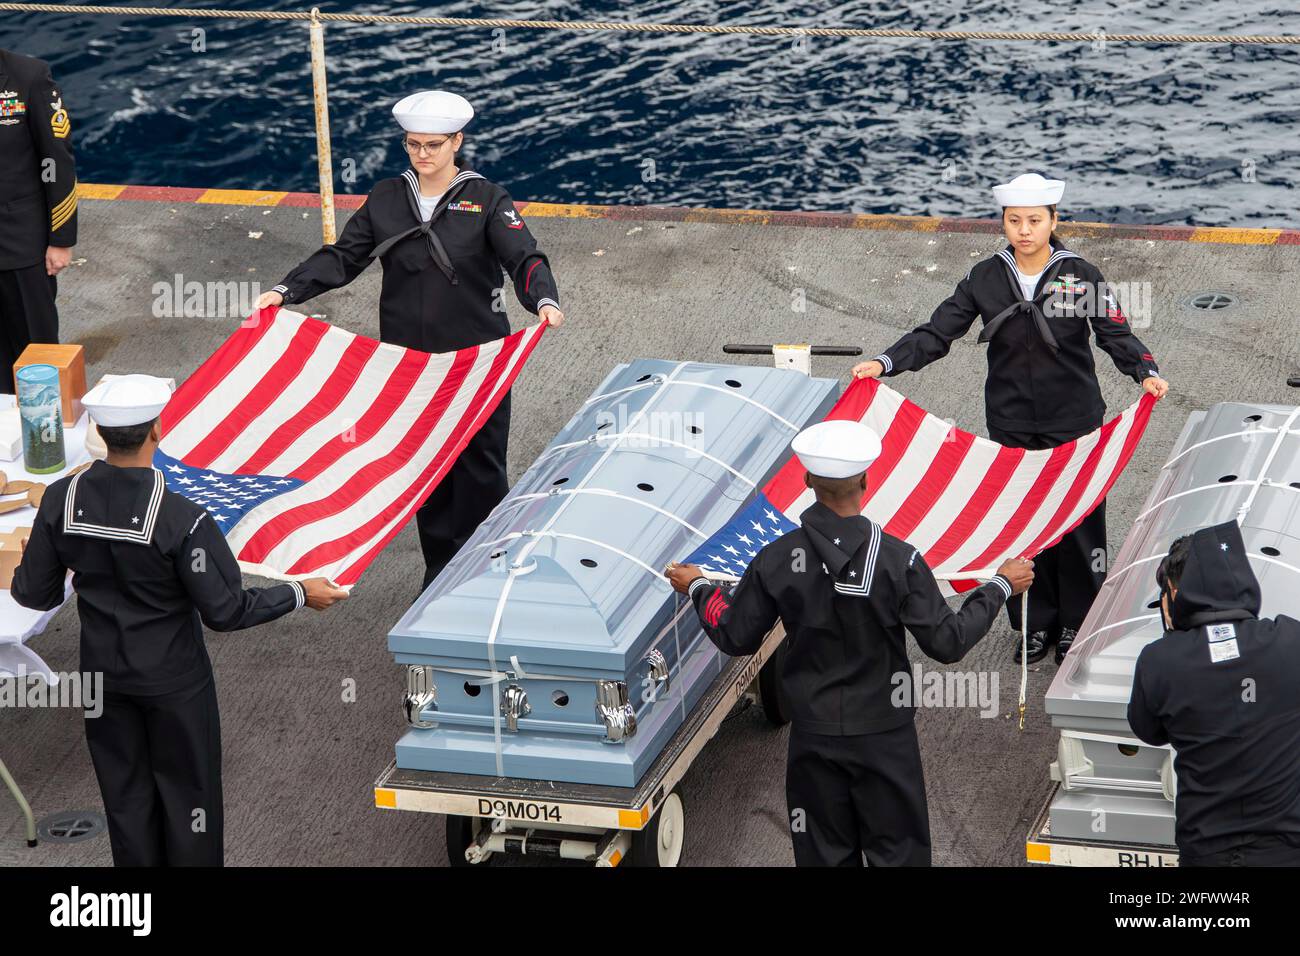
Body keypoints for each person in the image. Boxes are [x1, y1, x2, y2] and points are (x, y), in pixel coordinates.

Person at [12, 374, 349, 866]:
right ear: (156, 431)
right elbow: (226, 610)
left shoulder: (60, 501)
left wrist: (36, 556)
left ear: (102, 435)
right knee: (192, 805)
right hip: (173, 685)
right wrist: (298, 592)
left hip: (101, 680)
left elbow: (33, 593)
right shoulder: (182, 519)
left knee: (126, 804)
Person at [665, 419, 1034, 866]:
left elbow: (736, 634)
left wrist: (701, 588)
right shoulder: (901, 560)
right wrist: (998, 586)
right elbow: (947, 642)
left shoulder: (777, 559)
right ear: (865, 481)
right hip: (885, 739)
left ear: (807, 481)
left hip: (813, 741)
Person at [255, 90, 565, 593]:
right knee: (428, 471)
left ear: (457, 141)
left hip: (475, 363)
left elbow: (523, 256)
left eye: (435, 145)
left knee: (481, 469)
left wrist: (543, 300)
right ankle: (441, 574)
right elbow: (344, 257)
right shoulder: (386, 198)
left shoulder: (487, 199)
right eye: (414, 144)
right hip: (410, 368)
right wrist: (286, 289)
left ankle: (491, 572)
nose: (423, 154)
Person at [853, 173, 1168, 666]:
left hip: (1075, 420)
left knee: (1080, 522)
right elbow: (939, 332)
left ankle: (1075, 623)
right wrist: (885, 363)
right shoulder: (986, 278)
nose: (1024, 230)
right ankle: (1033, 624)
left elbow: (1114, 332)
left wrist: (1144, 372)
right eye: (1015, 221)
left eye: (1035, 221)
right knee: (1023, 523)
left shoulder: (1079, 275)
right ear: (1003, 222)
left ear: (1054, 221)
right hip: (1012, 421)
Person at [1127, 521, 1300, 866]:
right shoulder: (1290, 640)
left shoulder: (1159, 661)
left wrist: (1172, 635)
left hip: (1206, 848)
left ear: (1175, 593)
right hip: (1285, 847)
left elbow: (1148, 730)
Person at [0, 47, 76, 393]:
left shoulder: (28, 76)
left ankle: (45, 439)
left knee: (37, 356)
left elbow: (57, 160)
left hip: (20, 244)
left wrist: (60, 238)